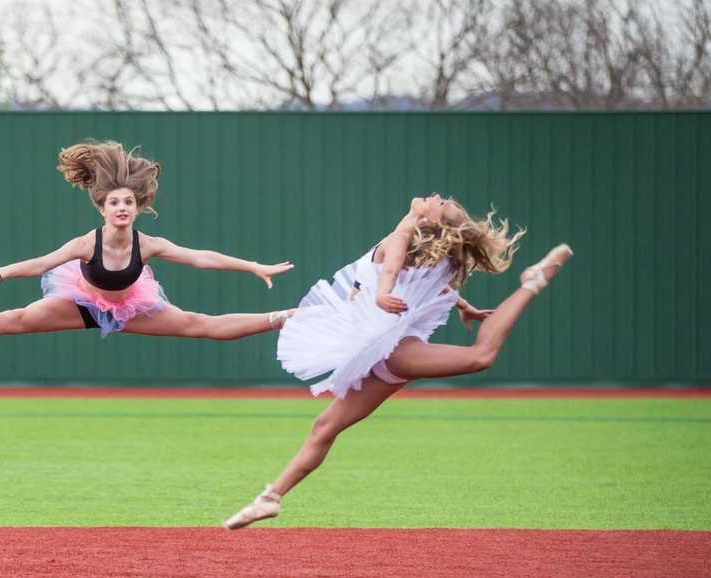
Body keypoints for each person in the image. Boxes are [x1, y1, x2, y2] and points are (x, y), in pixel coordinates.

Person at [223, 194, 572, 529]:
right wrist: (462, 305)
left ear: (431, 219)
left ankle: (532, 282)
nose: (433, 196)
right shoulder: (432, 253)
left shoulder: (403, 233)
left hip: (391, 349)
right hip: (375, 350)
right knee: (324, 427)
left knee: (480, 356)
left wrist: (381, 292)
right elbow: (420, 280)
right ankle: (271, 497)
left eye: (441, 202)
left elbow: (391, 270)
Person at [0, 141, 295, 340]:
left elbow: (201, 258)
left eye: (129, 203)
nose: (122, 208)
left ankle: (282, 318)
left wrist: (253, 266)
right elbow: (43, 263)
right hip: (81, 303)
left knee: (197, 325)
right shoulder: (87, 243)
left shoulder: (149, 243)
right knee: (13, 320)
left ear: (138, 207)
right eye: (115, 202)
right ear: (102, 208)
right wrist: (1, 273)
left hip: (130, 307)